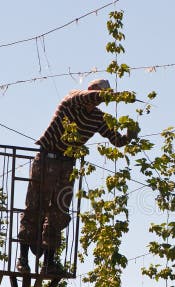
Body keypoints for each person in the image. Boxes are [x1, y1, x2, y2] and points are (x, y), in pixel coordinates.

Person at [16, 79, 138, 275]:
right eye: (96, 94)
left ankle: (49, 263)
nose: (95, 99)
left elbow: (116, 140)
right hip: (47, 158)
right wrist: (118, 96)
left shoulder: (98, 118)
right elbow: (85, 97)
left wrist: (129, 134)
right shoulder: (72, 99)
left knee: (59, 212)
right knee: (34, 207)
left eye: (99, 97)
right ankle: (22, 259)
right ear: (90, 90)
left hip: (67, 166)